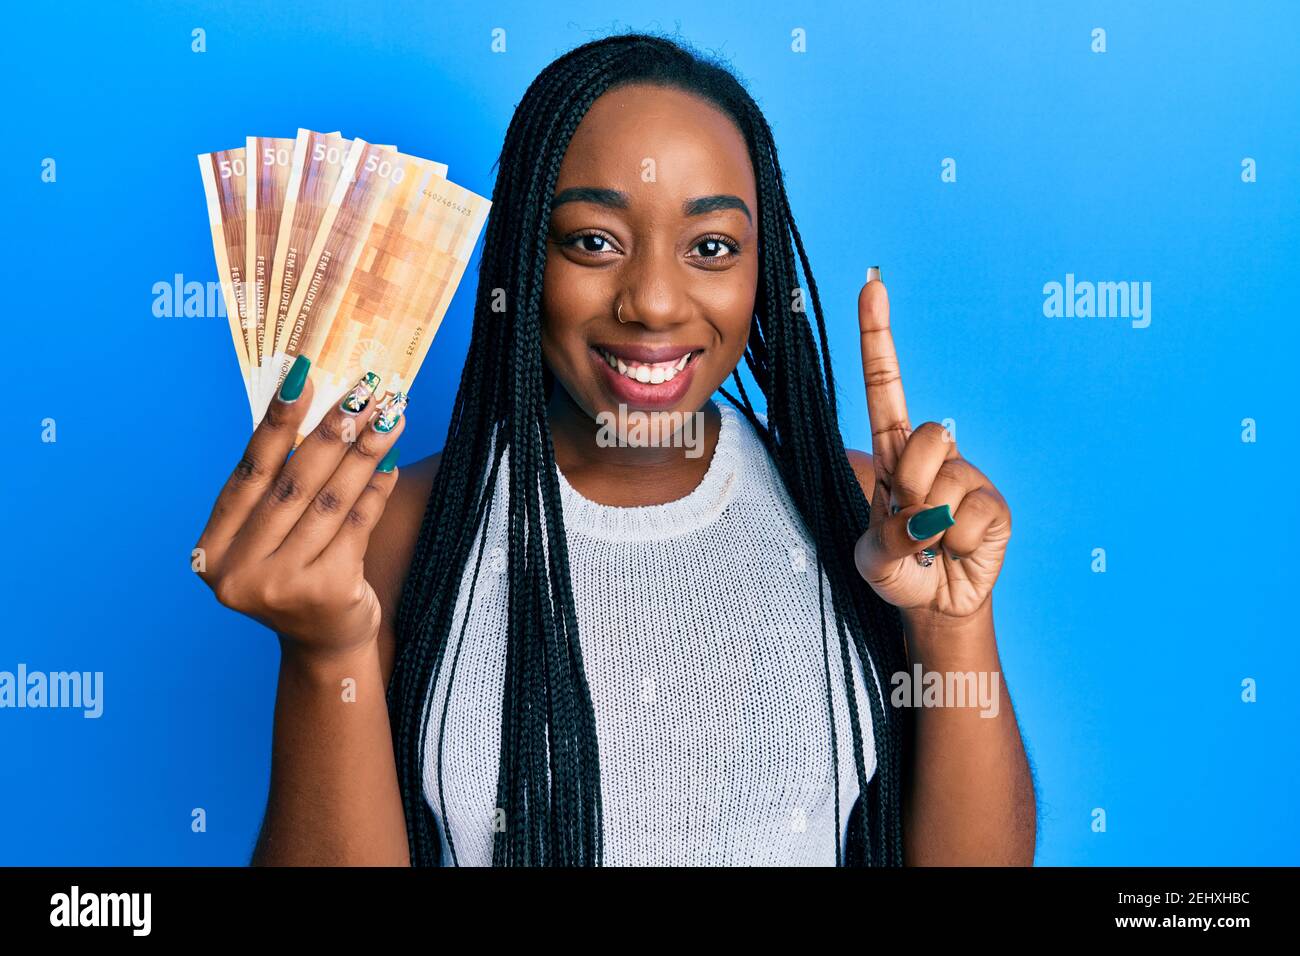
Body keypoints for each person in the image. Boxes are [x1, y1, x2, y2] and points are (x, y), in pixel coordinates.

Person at [194, 32, 1034, 866]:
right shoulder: (393, 529)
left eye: (710, 248)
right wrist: (324, 652)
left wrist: (949, 628)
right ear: (526, 260)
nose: (655, 303)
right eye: (593, 241)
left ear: (758, 270)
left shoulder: (868, 516)